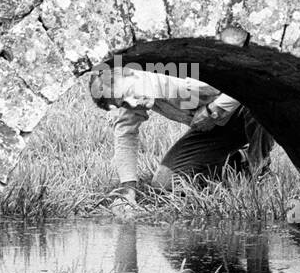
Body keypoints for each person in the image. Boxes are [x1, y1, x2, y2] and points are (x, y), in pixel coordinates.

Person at [87, 65, 274, 200]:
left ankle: (259, 168)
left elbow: (250, 81)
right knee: (165, 184)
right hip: (214, 130)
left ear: (133, 73)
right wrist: (128, 187)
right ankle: (238, 161)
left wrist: (212, 110)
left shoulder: (179, 78)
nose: (133, 104)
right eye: (123, 103)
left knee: (259, 104)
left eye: (128, 92)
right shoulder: (134, 96)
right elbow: (125, 134)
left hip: (243, 110)